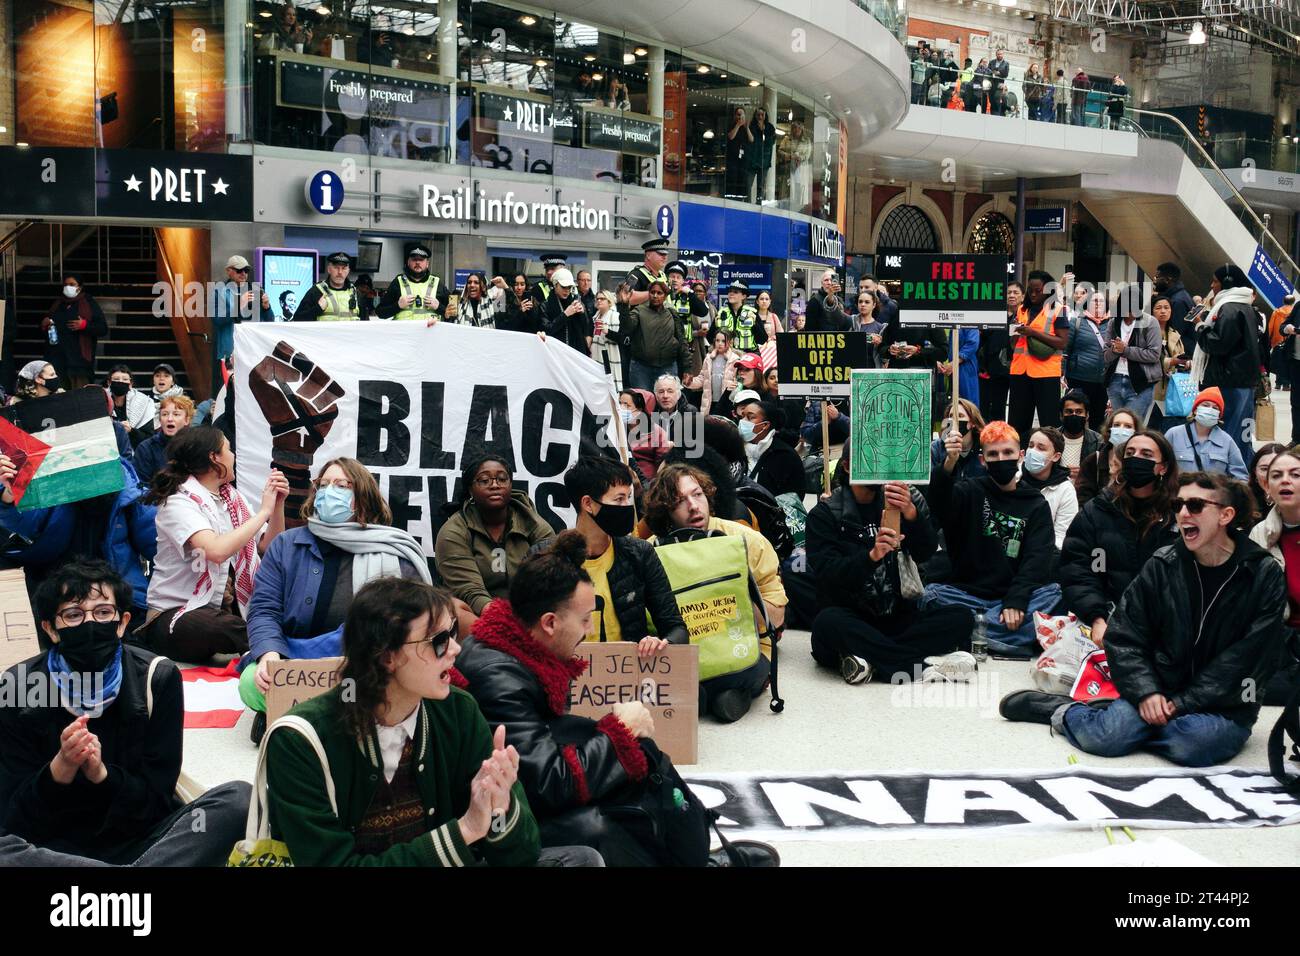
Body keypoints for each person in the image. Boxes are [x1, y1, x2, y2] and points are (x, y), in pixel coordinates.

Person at [458, 534, 759, 867]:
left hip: (517, 794)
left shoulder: (519, 653)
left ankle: (690, 855)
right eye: (585, 619)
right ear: (549, 623)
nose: (588, 630)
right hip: (491, 829)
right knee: (596, 824)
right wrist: (620, 733)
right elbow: (549, 784)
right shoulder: (497, 678)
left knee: (634, 754)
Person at [265, 576, 564, 867]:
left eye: (454, 633)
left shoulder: (459, 711)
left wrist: (501, 808)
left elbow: (521, 856)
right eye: (439, 641)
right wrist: (466, 830)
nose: (456, 649)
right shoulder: (300, 739)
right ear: (387, 657)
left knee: (581, 858)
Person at [1003, 472, 1285, 767]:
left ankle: (1128, 722)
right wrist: (1147, 692)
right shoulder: (1163, 563)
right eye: (1178, 505)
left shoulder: (1263, 574)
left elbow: (1250, 658)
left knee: (1193, 745)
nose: (1183, 513)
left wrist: (1182, 704)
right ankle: (1063, 711)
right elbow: (1124, 635)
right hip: (1158, 688)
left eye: (1196, 506)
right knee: (1106, 738)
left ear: (1226, 515)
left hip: (1225, 703)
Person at [0, 560, 250, 865]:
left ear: (122, 623)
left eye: (103, 613)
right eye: (74, 615)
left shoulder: (156, 678)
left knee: (239, 800)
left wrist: (102, 775)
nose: (91, 624)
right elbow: (13, 818)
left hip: (140, 843)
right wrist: (59, 770)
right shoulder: (17, 686)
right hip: (51, 850)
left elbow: (157, 801)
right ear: (51, 630)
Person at [242, 458, 432, 731]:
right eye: (324, 484)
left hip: (364, 663)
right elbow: (264, 609)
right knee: (252, 683)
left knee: (389, 683)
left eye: (341, 485)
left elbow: (412, 621)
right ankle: (315, 715)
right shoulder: (286, 544)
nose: (329, 491)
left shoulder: (394, 552)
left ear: (362, 498)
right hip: (294, 659)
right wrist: (269, 656)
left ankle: (295, 717)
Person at [809, 444, 977, 685]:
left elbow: (926, 552)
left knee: (961, 617)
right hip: (852, 617)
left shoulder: (898, 502)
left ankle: (871, 660)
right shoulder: (825, 514)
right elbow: (827, 574)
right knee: (827, 624)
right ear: (846, 466)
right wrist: (871, 556)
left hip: (897, 617)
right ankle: (922, 666)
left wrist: (911, 514)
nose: (876, 468)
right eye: (868, 461)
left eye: (880, 461)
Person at [643, 465, 785, 721]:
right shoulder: (650, 553)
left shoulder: (746, 541)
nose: (694, 506)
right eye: (679, 502)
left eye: (697, 495)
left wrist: (733, 592)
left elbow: (775, 619)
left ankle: (713, 695)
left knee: (735, 675)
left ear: (708, 495)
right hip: (685, 652)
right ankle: (722, 697)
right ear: (665, 511)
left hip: (744, 648)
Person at [140, 427, 290, 662]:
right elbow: (216, 551)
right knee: (221, 627)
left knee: (267, 617)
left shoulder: (232, 497)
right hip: (176, 614)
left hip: (226, 610)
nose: (233, 456)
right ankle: (276, 656)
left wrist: (278, 505)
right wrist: (264, 512)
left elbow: (268, 547)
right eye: (229, 449)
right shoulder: (178, 500)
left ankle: (267, 647)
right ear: (214, 457)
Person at [921, 421, 1063, 656]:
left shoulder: (1036, 504)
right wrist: (949, 464)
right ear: (983, 460)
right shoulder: (969, 491)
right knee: (930, 596)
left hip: (1010, 600)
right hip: (966, 595)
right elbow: (939, 505)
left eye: (1007, 452)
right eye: (993, 454)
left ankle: (968, 634)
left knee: (1056, 594)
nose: (1001, 459)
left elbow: (1037, 559)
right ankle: (1008, 640)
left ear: (1020, 455)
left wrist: (1015, 600)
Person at [0, 453, 156, 625]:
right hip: (57, 589)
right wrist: (10, 492)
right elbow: (26, 523)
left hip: (119, 593)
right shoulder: (49, 479)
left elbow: (161, 549)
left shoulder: (128, 489)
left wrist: (156, 602)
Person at [1060, 430, 1180, 643]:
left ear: (1163, 467)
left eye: (1146, 454)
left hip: (1161, 626)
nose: (1136, 459)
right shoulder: (1098, 510)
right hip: (1104, 619)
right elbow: (1078, 568)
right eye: (1130, 453)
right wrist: (1097, 618)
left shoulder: (1178, 516)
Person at [561, 456, 688, 652]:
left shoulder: (640, 553)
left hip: (630, 676)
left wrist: (662, 644)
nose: (627, 507)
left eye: (628, 498)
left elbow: (676, 628)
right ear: (588, 504)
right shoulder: (547, 559)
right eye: (619, 499)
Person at [435, 453, 557, 618]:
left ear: (510, 484)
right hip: (477, 615)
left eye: (502, 479)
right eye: (484, 481)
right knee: (457, 609)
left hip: (527, 614)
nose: (494, 485)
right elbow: (469, 590)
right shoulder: (453, 531)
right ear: (470, 489)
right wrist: (503, 622)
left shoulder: (535, 525)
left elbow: (552, 579)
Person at [1195, 264, 1262, 466]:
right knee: (1242, 432)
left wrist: (1200, 327)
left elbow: (1218, 344)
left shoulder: (1229, 308)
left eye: (1215, 281)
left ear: (1226, 283)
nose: (1212, 285)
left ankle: (1224, 474)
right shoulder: (1246, 306)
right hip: (1245, 380)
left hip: (1228, 380)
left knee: (1226, 431)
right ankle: (1243, 473)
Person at [1248, 448, 1300, 702]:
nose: (1285, 480)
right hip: (1281, 642)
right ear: (1267, 488)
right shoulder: (1258, 535)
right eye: (1277, 476)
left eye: (1295, 474)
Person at [1008, 270, 1069, 444]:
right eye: (1030, 290)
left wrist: (1032, 332)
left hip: (1046, 373)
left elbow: (1062, 342)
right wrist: (1014, 331)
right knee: (1017, 422)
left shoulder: (1059, 310)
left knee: (1049, 423)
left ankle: (1053, 460)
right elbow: (1014, 344)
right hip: (1019, 372)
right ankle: (1018, 458)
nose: (1033, 294)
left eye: (1038, 290)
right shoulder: (1022, 309)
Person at [211, 255, 272, 387]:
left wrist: (267, 307)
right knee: (229, 393)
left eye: (246, 270)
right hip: (230, 352)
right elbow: (217, 320)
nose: (243, 273)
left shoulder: (257, 290)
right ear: (229, 271)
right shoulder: (219, 291)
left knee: (254, 392)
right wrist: (239, 305)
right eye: (239, 270)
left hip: (253, 350)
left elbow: (270, 321)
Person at [1165, 386, 1248, 479]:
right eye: (1205, 405)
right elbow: (1161, 466)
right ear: (1196, 409)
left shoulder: (1227, 441)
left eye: (1215, 408)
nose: (1210, 410)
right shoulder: (1174, 434)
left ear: (1219, 415)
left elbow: (1241, 477)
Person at [40, 275, 107, 391]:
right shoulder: (58, 304)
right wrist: (45, 324)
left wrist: (84, 325)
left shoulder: (88, 303)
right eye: (65, 285)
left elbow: (102, 328)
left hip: (79, 362)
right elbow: (49, 324)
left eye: (72, 285)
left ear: (79, 287)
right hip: (57, 359)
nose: (68, 287)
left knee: (79, 396)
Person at [1103, 297, 1162, 425]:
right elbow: (1105, 357)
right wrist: (1115, 350)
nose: (1131, 314)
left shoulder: (1150, 322)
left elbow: (1154, 355)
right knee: (1118, 426)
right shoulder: (1113, 323)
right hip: (1115, 381)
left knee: (1132, 427)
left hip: (1140, 384)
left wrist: (1126, 350)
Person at [623, 278, 689, 391]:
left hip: (668, 366)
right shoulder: (639, 310)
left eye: (659, 293)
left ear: (665, 296)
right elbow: (627, 328)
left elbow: (682, 342)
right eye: (652, 292)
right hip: (641, 367)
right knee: (642, 403)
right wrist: (623, 305)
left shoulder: (672, 313)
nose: (655, 295)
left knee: (667, 403)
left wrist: (688, 368)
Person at [1021, 427, 1079, 549]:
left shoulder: (1066, 490)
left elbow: (1061, 537)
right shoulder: (1014, 476)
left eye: (1041, 448)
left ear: (1056, 456)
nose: (1032, 451)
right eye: (1031, 446)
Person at [735, 396, 804, 497]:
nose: (743, 421)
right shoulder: (733, 451)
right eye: (742, 417)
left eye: (750, 417)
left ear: (765, 425)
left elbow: (795, 495)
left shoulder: (785, 455)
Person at [1064, 290, 1110, 429]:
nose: (1097, 304)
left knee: (1098, 419)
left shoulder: (1112, 324)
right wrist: (1062, 374)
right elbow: (1065, 350)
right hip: (1079, 379)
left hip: (1103, 381)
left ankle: (1095, 448)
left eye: (1101, 301)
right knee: (1076, 417)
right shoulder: (1076, 322)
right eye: (1093, 301)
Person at [132, 394, 195, 490]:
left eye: (176, 414)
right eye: (165, 414)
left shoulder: (197, 446)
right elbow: (141, 486)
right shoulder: (146, 448)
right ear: (160, 420)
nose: (169, 419)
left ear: (187, 420)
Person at [376, 243, 449, 324]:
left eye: (421, 259)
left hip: (430, 334)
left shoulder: (437, 283)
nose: (417, 262)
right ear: (408, 262)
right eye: (414, 259)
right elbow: (380, 312)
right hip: (404, 335)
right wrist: (398, 306)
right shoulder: (398, 282)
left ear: (427, 263)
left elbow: (453, 314)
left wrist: (439, 307)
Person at [1150, 293, 1191, 434]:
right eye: (1158, 308)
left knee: (1169, 427)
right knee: (1151, 426)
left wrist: (1186, 363)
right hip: (1152, 386)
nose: (1163, 311)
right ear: (1151, 311)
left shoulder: (1175, 333)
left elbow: (1180, 355)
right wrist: (1170, 361)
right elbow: (1146, 358)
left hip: (1172, 387)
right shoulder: (1146, 332)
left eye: (1166, 308)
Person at [978, 281, 1018, 423]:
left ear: (1022, 295)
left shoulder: (1026, 315)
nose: (1012, 295)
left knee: (1018, 408)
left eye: (1015, 292)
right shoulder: (995, 314)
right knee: (995, 408)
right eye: (1009, 292)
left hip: (1019, 368)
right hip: (994, 370)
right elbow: (983, 340)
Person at [929, 399, 988, 487]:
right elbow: (931, 486)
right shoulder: (936, 448)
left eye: (960, 416)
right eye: (951, 416)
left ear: (972, 423)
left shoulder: (984, 447)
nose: (955, 420)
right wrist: (949, 462)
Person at [619, 389, 672, 480]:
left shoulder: (656, 432)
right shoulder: (618, 428)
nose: (621, 408)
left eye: (626, 405)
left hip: (648, 481)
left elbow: (662, 462)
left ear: (640, 409)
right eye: (620, 403)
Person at [293, 252, 361, 321]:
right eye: (336, 267)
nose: (340, 272)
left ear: (348, 271)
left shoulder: (355, 293)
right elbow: (297, 319)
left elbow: (366, 323)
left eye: (344, 268)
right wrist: (318, 309)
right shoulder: (317, 291)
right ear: (329, 269)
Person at [541, 267, 593, 354]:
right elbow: (547, 330)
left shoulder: (575, 302)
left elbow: (586, 328)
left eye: (569, 287)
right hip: (555, 352)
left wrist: (582, 314)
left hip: (574, 351)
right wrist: (565, 314)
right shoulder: (545, 305)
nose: (567, 290)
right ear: (555, 284)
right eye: (563, 287)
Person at [710, 280, 768, 353]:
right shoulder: (721, 313)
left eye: (735, 292)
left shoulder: (751, 313)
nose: (731, 294)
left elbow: (762, 339)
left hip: (747, 356)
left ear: (744, 296)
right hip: (726, 356)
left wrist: (755, 324)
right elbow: (710, 338)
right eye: (730, 291)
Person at [104, 365, 154, 447]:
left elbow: (149, 437)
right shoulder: (101, 399)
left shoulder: (143, 402)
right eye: (116, 379)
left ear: (130, 384)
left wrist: (131, 431)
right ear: (109, 383)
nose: (120, 382)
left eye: (125, 379)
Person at [1059, 389, 1103, 482]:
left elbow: (1104, 476)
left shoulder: (1099, 442)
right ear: (1061, 416)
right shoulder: (1049, 438)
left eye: (1079, 412)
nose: (1074, 415)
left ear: (1087, 416)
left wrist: (1085, 474)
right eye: (1069, 412)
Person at [1153, 261, 1197, 352]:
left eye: (1157, 277)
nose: (1155, 281)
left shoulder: (1177, 301)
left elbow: (1174, 333)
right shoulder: (1177, 296)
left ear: (1168, 280)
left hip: (1181, 354)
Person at [699, 330, 740, 417]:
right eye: (717, 340)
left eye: (723, 341)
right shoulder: (708, 358)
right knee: (708, 427)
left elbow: (739, 381)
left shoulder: (735, 359)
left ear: (730, 342)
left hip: (727, 402)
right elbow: (702, 378)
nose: (720, 343)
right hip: (709, 402)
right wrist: (690, 382)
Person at [590, 289, 624, 392]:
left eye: (602, 299)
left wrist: (607, 331)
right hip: (596, 354)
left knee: (610, 387)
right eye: (598, 299)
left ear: (609, 301)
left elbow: (620, 338)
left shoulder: (614, 316)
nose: (599, 301)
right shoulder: (595, 316)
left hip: (609, 355)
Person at [1247, 442, 1286, 529]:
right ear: (1255, 472)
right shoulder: (1243, 499)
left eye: (1277, 467)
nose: (1270, 474)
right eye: (1264, 469)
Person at [624, 238, 670, 308]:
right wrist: (655, 294)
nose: (664, 257)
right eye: (661, 254)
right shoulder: (636, 275)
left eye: (666, 254)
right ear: (648, 255)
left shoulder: (664, 276)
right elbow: (627, 297)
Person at [746, 107, 777, 201]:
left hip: (764, 160)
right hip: (752, 160)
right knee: (748, 184)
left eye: (762, 114)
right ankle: (747, 204)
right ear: (755, 116)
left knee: (761, 186)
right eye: (758, 115)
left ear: (765, 115)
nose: (760, 117)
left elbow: (772, 142)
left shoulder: (769, 127)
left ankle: (759, 204)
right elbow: (750, 141)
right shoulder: (752, 126)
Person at [725, 106, 753, 199]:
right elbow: (731, 137)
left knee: (742, 179)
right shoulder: (732, 125)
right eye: (738, 114)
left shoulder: (747, 127)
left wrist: (747, 127)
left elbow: (751, 139)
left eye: (742, 114)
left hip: (744, 159)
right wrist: (738, 125)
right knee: (732, 178)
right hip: (733, 158)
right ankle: (731, 197)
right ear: (735, 116)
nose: (740, 117)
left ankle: (741, 198)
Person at [988, 48, 1010, 115]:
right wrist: (993, 72)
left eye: (1001, 54)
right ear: (996, 55)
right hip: (991, 84)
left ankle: (997, 115)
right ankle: (992, 115)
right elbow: (988, 71)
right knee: (991, 100)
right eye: (998, 54)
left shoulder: (1006, 63)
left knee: (997, 99)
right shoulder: (992, 62)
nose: (1000, 55)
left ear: (1003, 55)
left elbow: (1006, 74)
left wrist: (998, 73)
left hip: (1000, 84)